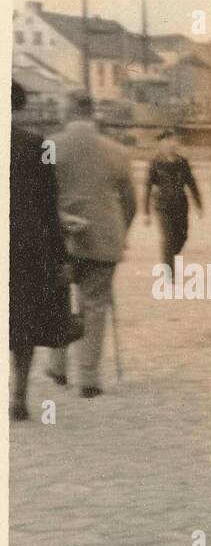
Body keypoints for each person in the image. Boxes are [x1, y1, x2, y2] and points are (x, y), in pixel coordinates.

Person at [45, 91, 136, 400]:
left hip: (60, 237)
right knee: (94, 306)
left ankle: (57, 366)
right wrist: (120, 234)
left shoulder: (50, 146)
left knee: (57, 298)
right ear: (90, 113)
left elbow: (37, 195)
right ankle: (89, 378)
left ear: (70, 111)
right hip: (103, 239)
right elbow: (130, 203)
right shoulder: (118, 151)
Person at [9, 81, 70, 420]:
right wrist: (61, 257)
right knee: (22, 322)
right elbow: (50, 206)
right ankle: (19, 394)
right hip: (26, 247)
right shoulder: (39, 145)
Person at [144, 129, 202, 283]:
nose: (170, 144)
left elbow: (191, 183)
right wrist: (146, 212)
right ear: (160, 145)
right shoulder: (155, 163)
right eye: (166, 142)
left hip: (181, 204)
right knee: (167, 238)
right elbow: (148, 186)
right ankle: (169, 274)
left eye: (172, 141)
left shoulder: (182, 162)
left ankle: (169, 254)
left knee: (182, 236)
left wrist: (199, 204)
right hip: (162, 204)